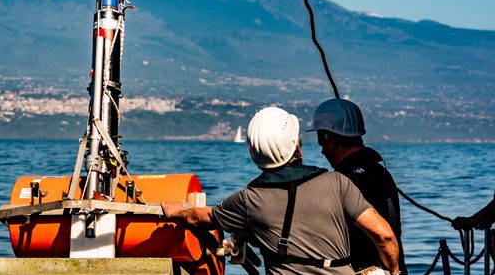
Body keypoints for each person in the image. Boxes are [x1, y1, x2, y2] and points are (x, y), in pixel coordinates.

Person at [162, 106, 400, 275]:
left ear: (253, 152)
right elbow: (385, 235)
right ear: (296, 145)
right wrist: (395, 272)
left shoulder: (248, 199)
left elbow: (199, 217)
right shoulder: (337, 182)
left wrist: (174, 211)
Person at [309, 98, 407, 274]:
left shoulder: (342, 180)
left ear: (328, 137)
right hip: (393, 266)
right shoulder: (380, 171)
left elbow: (383, 235)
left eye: (320, 139)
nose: (322, 149)